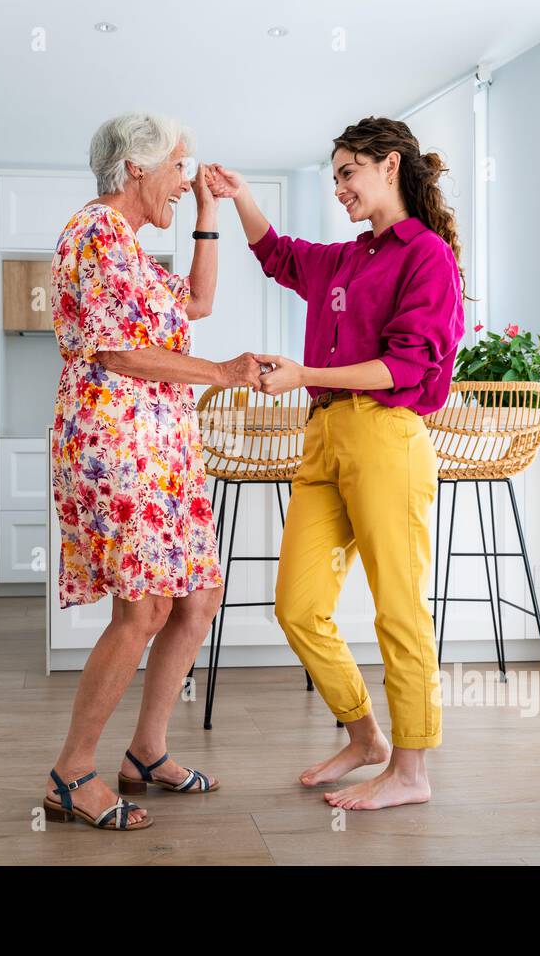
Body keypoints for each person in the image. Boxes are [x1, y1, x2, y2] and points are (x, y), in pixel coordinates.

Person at [205, 115, 466, 810]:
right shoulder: (349, 259)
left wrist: (308, 371)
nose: (340, 188)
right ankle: (365, 737)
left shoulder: (426, 256)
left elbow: (405, 365)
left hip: (386, 439)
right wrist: (238, 197)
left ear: (389, 166)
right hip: (322, 437)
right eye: (336, 176)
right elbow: (279, 255)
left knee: (399, 611)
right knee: (297, 606)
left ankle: (411, 771)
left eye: (348, 172)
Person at [43, 112, 262, 831]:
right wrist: (222, 371)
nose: (186, 177)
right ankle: (72, 774)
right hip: (117, 442)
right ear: (136, 167)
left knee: (196, 599)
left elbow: (197, 302)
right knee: (141, 609)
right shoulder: (96, 235)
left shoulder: (133, 251)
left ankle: (146, 753)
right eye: (180, 167)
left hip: (163, 448)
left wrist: (206, 210)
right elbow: (116, 354)